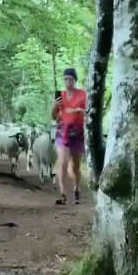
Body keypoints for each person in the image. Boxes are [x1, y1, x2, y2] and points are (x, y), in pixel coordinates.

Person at [51, 67, 86, 205]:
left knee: (75, 166)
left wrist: (79, 110)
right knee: (62, 162)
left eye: (70, 79)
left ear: (75, 80)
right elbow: (54, 117)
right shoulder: (61, 96)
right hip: (62, 132)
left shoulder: (82, 94)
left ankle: (77, 188)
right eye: (65, 79)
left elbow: (87, 111)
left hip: (77, 133)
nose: (68, 81)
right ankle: (63, 193)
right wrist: (54, 106)